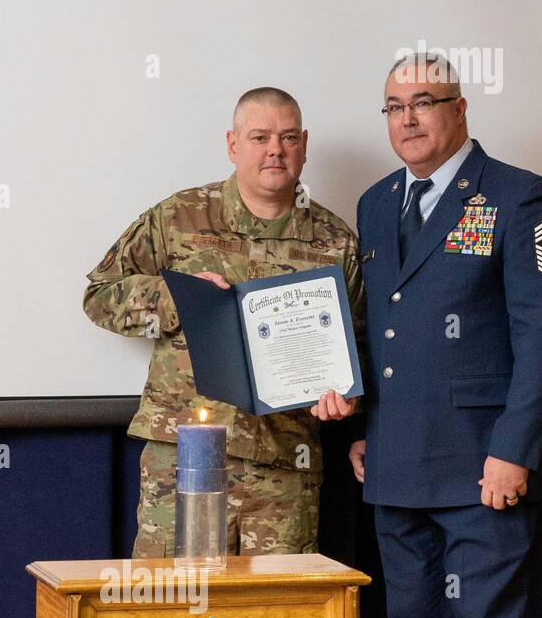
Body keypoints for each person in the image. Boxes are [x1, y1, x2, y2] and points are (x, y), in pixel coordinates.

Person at [350, 53, 542, 618]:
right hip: (395, 463)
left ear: (459, 109)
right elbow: (384, 331)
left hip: (484, 466)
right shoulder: (377, 202)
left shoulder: (519, 198)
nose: (406, 119)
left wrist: (513, 450)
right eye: (392, 106)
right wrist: (365, 428)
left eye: (422, 101)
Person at [83, 87, 361, 558]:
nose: (275, 149)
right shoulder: (180, 217)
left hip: (283, 467)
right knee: (169, 609)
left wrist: (348, 402)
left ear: (305, 144)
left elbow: (361, 344)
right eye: (260, 137)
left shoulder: (336, 242)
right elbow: (99, 294)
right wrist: (176, 296)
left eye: (289, 137)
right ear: (233, 145)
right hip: (182, 456)